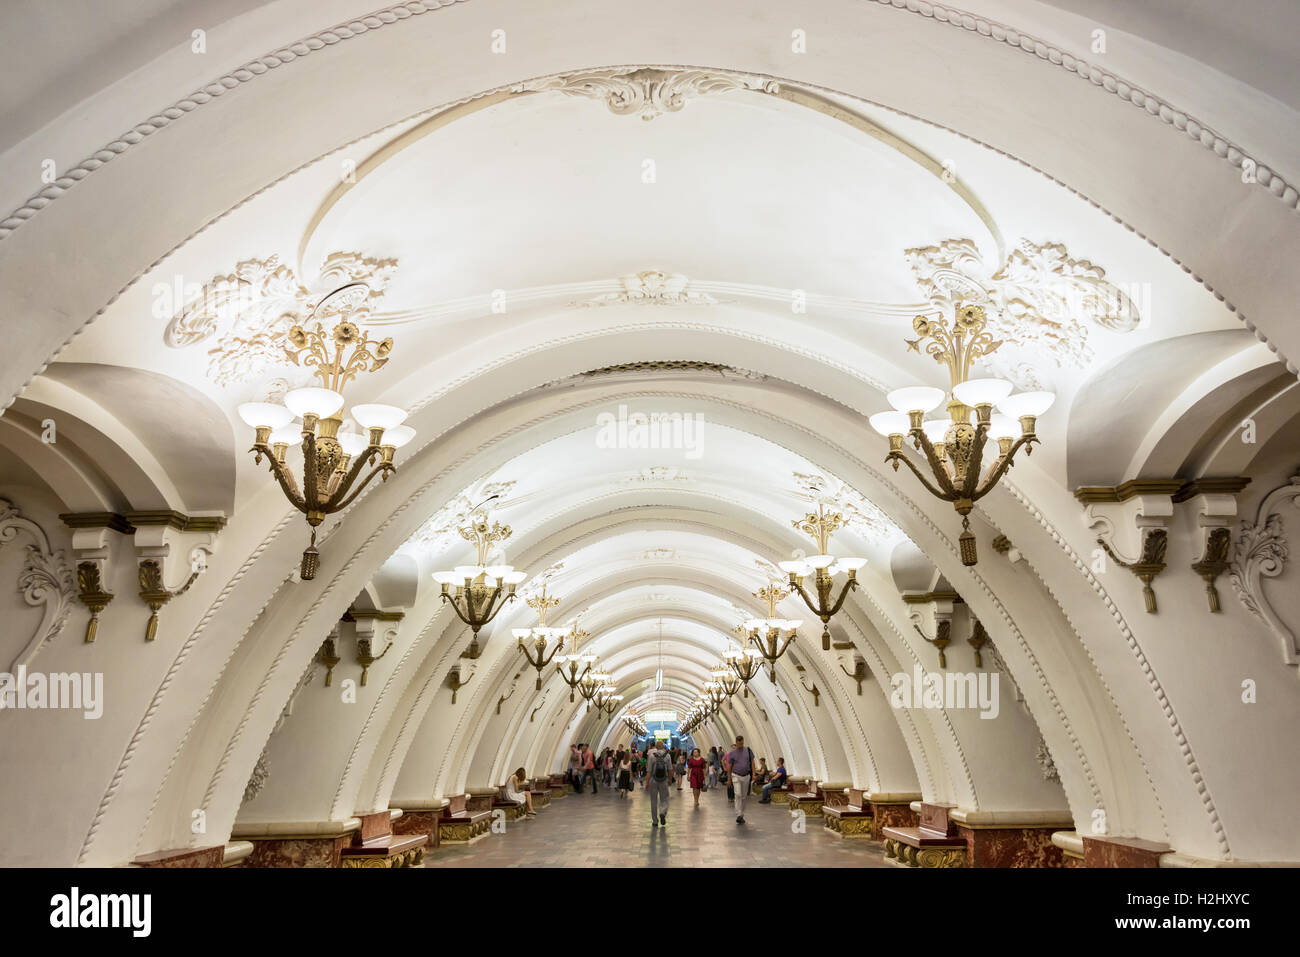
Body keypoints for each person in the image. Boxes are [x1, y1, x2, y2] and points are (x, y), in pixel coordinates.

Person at [724, 735, 756, 824]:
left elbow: (752, 762)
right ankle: (738, 814)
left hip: (746, 776)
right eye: (738, 744)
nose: (740, 745)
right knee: (737, 794)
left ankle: (741, 814)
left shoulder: (748, 751)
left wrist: (753, 773)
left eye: (741, 743)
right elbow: (729, 767)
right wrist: (729, 779)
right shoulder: (732, 753)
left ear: (743, 742)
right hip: (736, 775)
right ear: (736, 743)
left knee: (743, 796)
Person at [644, 739, 675, 827]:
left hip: (653, 780)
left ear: (656, 747)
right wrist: (670, 780)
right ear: (663, 746)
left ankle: (655, 821)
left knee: (653, 801)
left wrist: (647, 783)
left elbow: (649, 771)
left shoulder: (651, 756)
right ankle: (662, 812)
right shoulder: (667, 756)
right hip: (664, 780)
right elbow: (670, 770)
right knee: (664, 799)